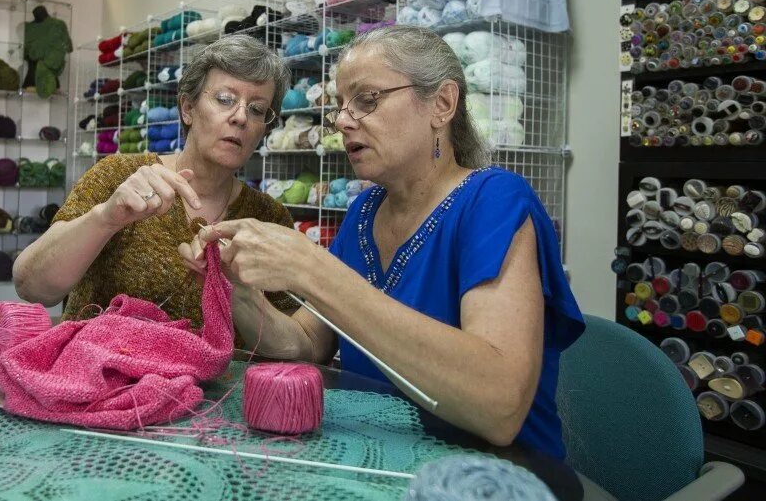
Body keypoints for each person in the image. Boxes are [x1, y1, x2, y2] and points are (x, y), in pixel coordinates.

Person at [180, 25, 585, 459]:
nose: (341, 120)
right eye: (339, 106)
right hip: (384, 458)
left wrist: (310, 269)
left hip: (497, 474)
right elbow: (307, 342)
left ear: (442, 105)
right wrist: (237, 290)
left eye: (367, 100)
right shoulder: (364, 213)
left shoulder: (494, 201)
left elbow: (499, 405)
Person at [14, 34, 297, 324]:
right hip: (99, 366)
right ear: (188, 109)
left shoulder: (268, 219)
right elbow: (31, 286)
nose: (240, 117)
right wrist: (106, 218)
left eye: (257, 110)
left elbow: (295, 343)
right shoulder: (118, 176)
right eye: (225, 99)